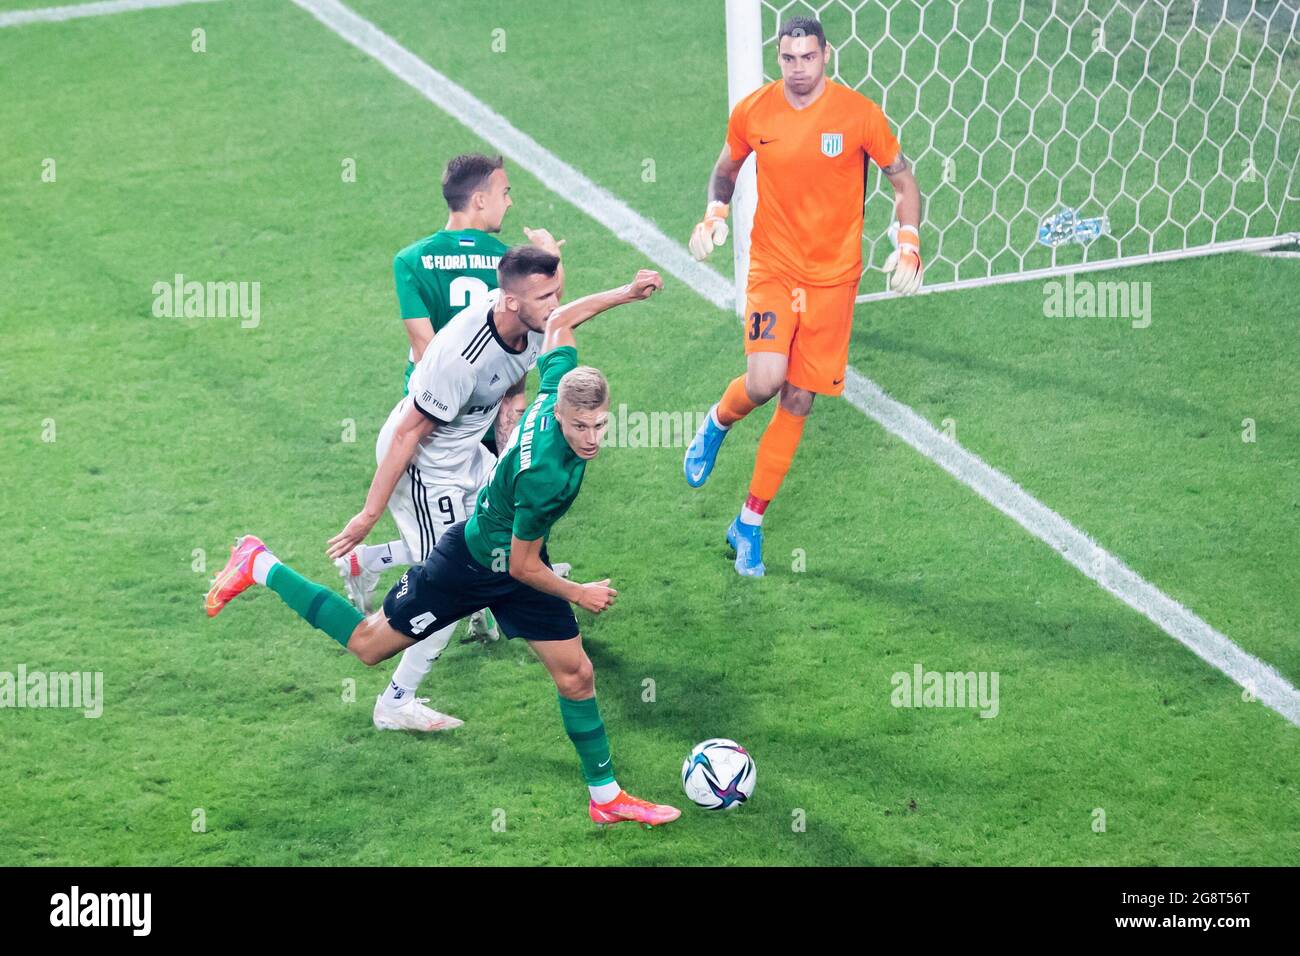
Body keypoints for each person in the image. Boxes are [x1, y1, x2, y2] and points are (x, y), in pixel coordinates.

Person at [206, 258, 679, 826]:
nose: (592, 439)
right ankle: (258, 563)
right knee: (368, 645)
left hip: (512, 549)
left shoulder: (560, 383)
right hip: (475, 562)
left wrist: (627, 293)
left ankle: (606, 800)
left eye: (601, 426)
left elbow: (563, 323)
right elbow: (524, 567)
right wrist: (579, 593)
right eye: (582, 429)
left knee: (576, 674)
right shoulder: (545, 475)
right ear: (559, 415)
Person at [684, 15, 925, 576]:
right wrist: (715, 214)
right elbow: (726, 169)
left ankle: (748, 523)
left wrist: (909, 243)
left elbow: (904, 180)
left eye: (807, 58)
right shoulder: (755, 111)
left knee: (798, 400)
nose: (797, 69)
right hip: (774, 268)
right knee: (766, 382)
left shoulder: (859, 114)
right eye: (788, 59)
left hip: (834, 279)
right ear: (780, 57)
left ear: (826, 55)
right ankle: (718, 422)